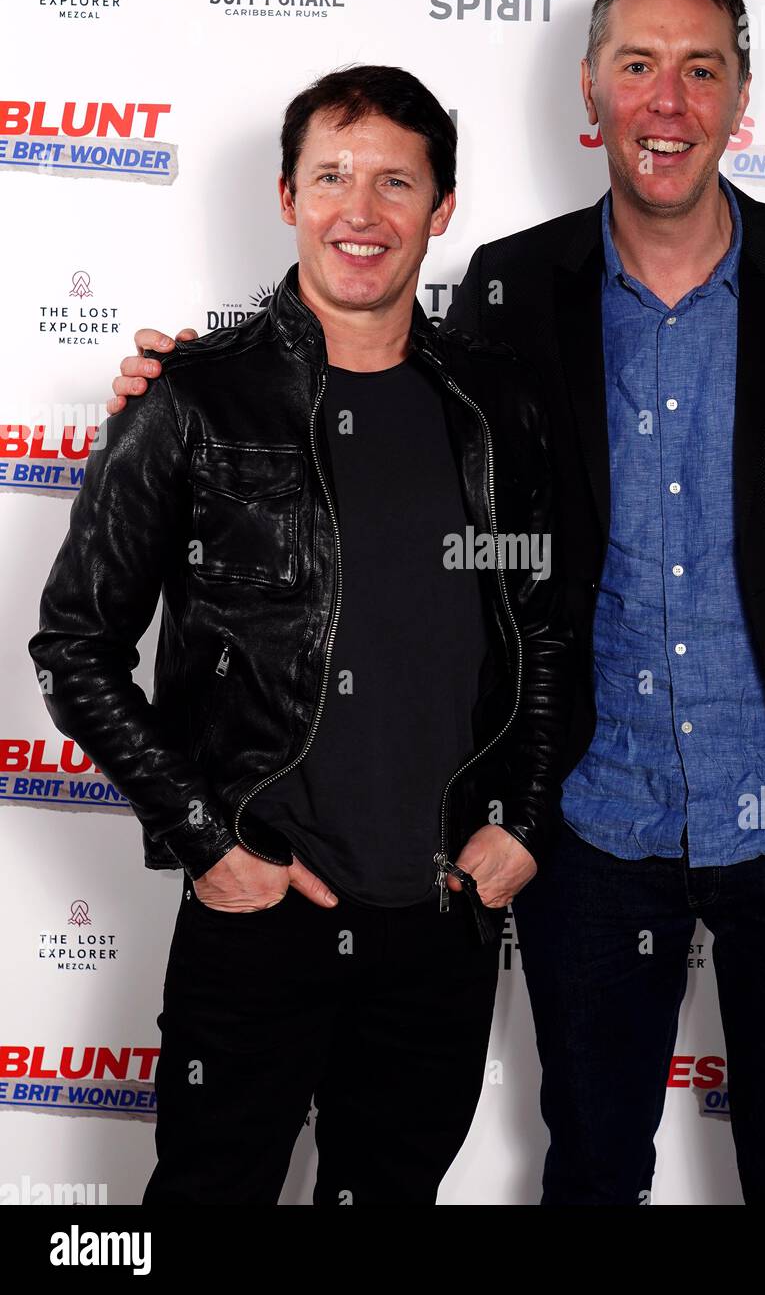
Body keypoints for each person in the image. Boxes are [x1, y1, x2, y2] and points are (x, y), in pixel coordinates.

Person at [108, 0, 765, 1207]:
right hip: (589, 821)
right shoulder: (512, 282)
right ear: (591, 94)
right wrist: (193, 386)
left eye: (700, 70)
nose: (668, 100)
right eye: (638, 67)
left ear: (741, 97)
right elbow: (381, 380)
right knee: (595, 1164)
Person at [30, 64, 571, 1206]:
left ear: (443, 207)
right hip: (261, 911)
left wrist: (521, 822)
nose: (359, 213)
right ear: (286, 196)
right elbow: (76, 641)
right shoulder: (193, 399)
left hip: (440, 918)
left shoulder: (497, 403)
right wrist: (204, 839)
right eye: (330, 176)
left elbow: (544, 629)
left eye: (393, 182)